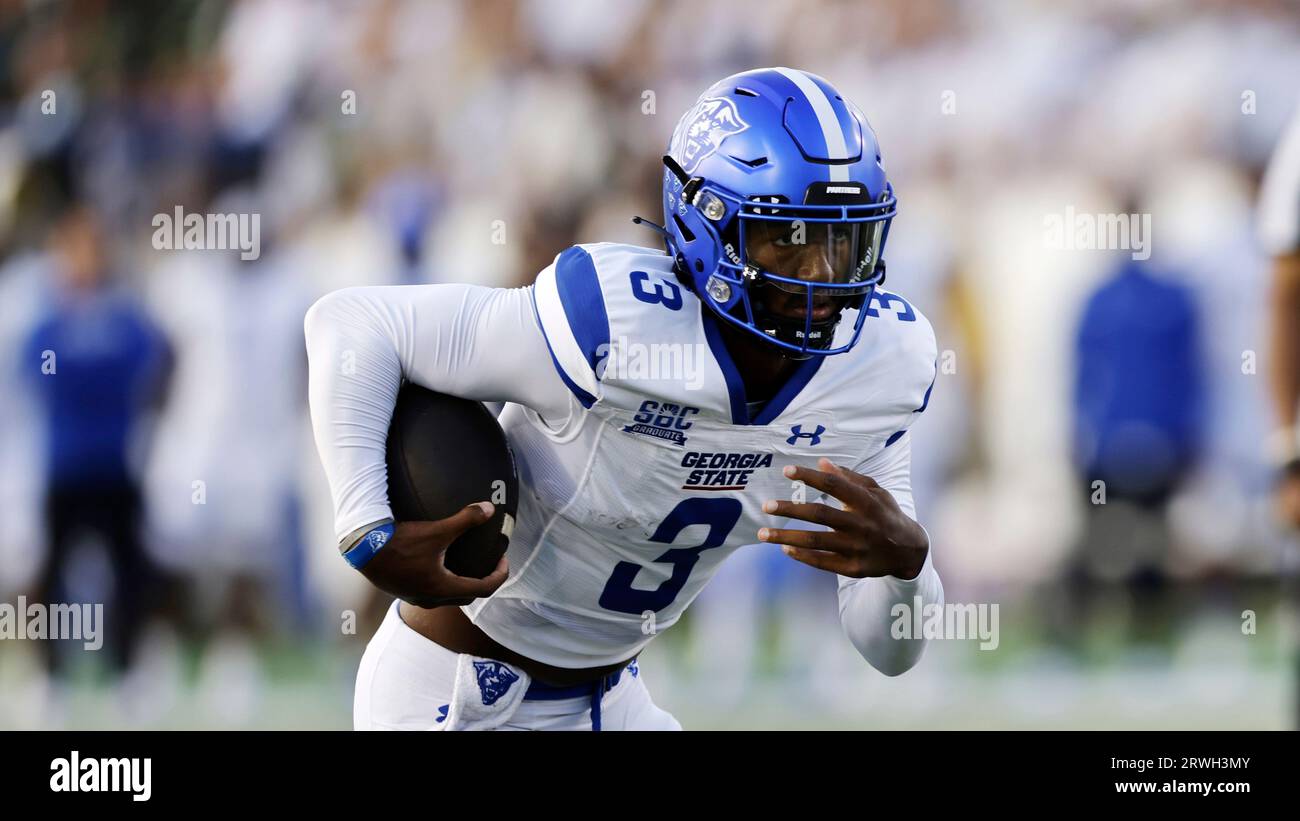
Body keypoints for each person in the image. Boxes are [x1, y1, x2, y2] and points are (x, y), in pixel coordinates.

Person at [305, 68, 943, 730]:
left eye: (841, 240)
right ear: (710, 225)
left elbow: (888, 652)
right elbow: (353, 324)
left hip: (614, 701)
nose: (821, 275)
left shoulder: (875, 369)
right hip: (454, 696)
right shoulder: (613, 324)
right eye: (788, 239)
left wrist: (907, 565)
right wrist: (363, 526)